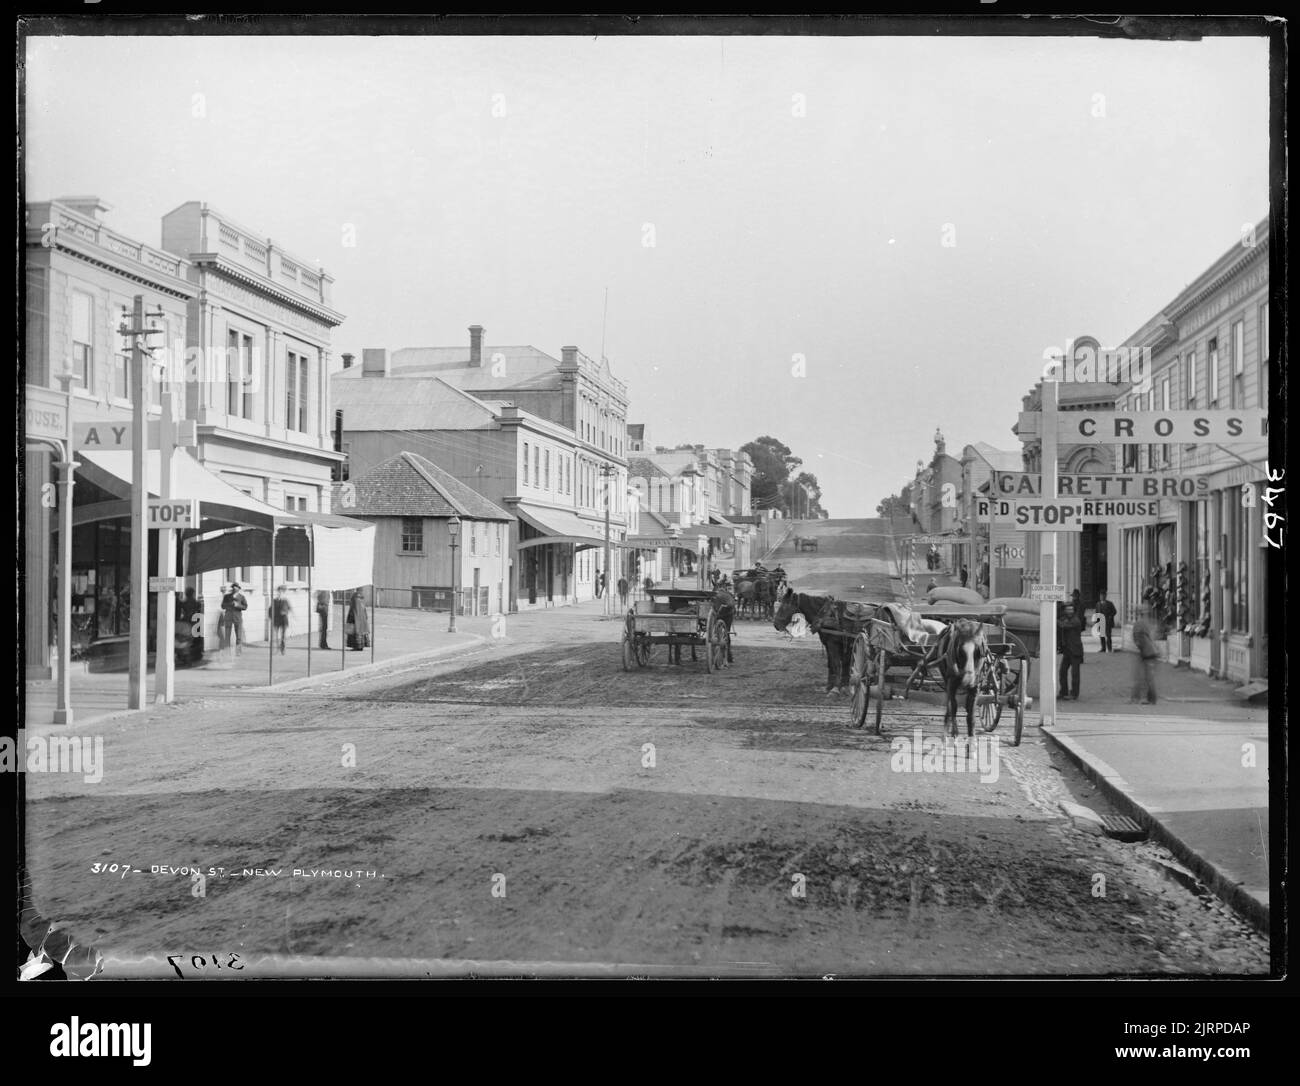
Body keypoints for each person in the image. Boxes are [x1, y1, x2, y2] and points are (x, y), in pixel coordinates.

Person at [1130, 605, 1159, 704]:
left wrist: (1139, 648)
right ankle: (1149, 698)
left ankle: (1146, 698)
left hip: (1146, 653)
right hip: (1150, 652)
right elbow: (1152, 637)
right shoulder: (1150, 622)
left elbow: (1138, 640)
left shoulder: (1138, 624)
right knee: (1147, 677)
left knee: (1144, 677)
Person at [1056, 602, 1085, 701]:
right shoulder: (1064, 618)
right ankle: (1063, 692)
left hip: (1075, 651)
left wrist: (1053, 619)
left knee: (1075, 674)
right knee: (1062, 671)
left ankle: (1074, 694)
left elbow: (1063, 626)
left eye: (1071, 609)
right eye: (1067, 609)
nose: (1069, 611)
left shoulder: (1075, 621)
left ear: (1073, 611)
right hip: (1067, 650)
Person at [220, 582, 247, 655]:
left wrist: (238, 605)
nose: (235, 589)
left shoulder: (242, 597)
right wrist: (229, 604)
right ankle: (227, 650)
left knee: (238, 636)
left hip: (237, 617)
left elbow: (245, 607)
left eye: (236, 587)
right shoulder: (227, 596)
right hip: (228, 617)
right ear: (232, 588)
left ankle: (238, 651)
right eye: (233, 587)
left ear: (239, 589)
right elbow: (222, 606)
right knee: (227, 635)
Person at [269, 586, 292, 655]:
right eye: (278, 592)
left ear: (283, 593)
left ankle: (283, 649)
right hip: (276, 620)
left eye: (281, 592)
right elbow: (270, 610)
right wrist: (271, 617)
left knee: (283, 636)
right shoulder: (274, 601)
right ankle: (277, 648)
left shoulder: (285, 601)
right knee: (276, 636)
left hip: (284, 620)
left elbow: (289, 609)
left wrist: (285, 612)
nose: (279, 593)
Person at [1095, 589, 1117, 653]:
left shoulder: (1110, 604)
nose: (1102, 597)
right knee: (1102, 636)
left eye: (1103, 595)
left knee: (1108, 636)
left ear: (1105, 596)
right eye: (1101, 596)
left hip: (1108, 622)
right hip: (1101, 622)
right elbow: (1096, 613)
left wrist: (1110, 616)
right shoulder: (1098, 604)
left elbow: (1114, 611)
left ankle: (1109, 648)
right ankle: (1103, 648)